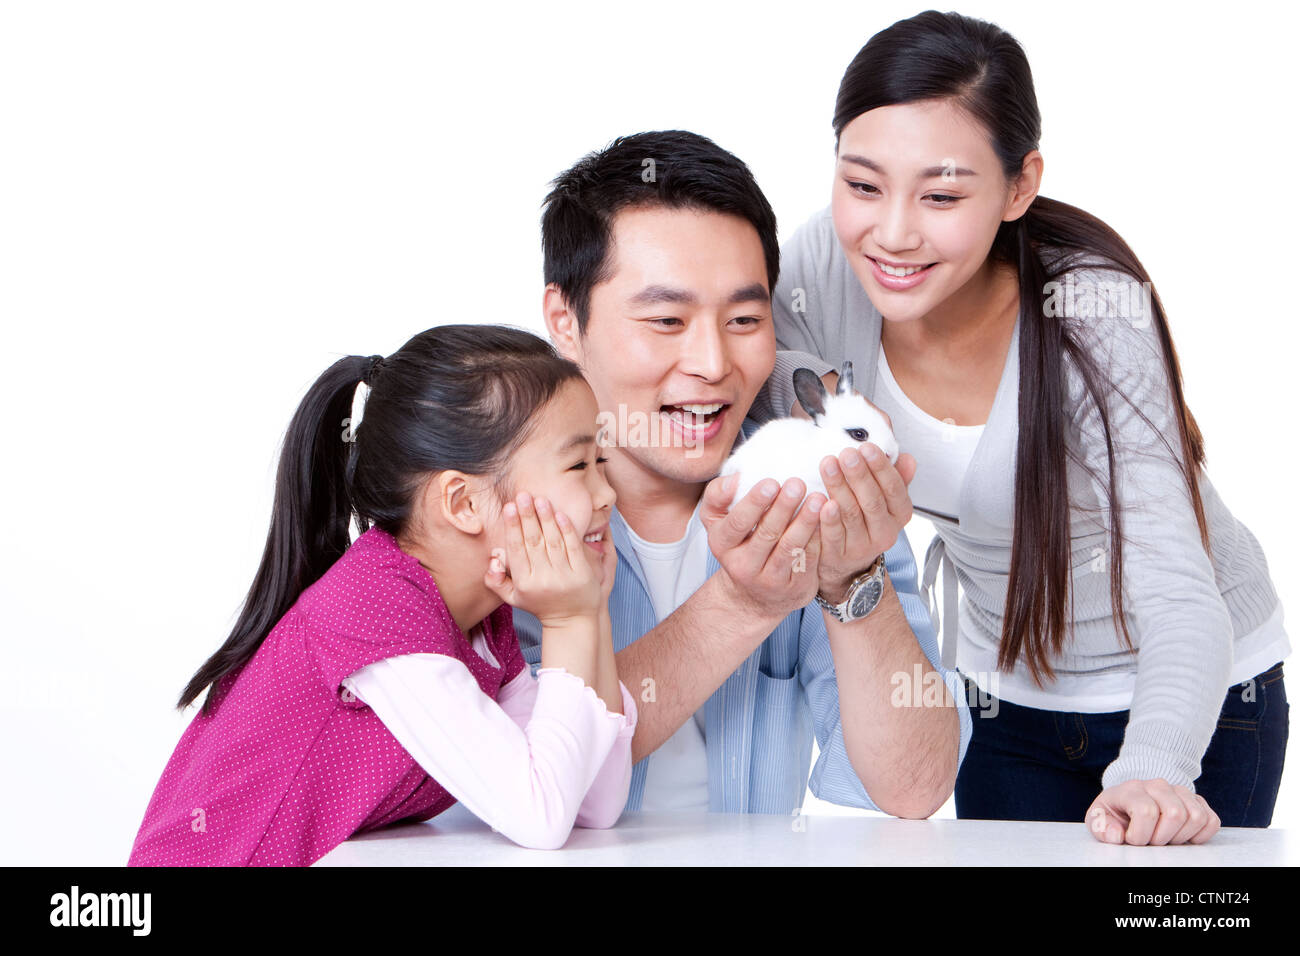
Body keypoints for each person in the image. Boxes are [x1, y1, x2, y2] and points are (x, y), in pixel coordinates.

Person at [762, 10, 1290, 843]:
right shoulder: (825, 269)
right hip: (1006, 696)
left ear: (1018, 185)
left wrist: (1154, 766)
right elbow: (729, 372)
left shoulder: (1091, 309)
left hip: (1201, 696)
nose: (891, 233)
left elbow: (1178, 589)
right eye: (862, 185)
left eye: (940, 195)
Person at [513, 129, 972, 816]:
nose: (712, 362)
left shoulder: (815, 484)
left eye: (745, 318)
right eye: (667, 319)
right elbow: (524, 772)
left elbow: (915, 788)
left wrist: (852, 582)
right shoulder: (493, 498)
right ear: (565, 320)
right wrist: (745, 604)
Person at [128, 325, 637, 865]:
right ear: (463, 503)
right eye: (580, 465)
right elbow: (542, 815)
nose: (607, 492)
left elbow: (594, 804)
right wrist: (568, 622)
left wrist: (591, 612)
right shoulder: (376, 610)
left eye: (602, 462)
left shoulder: (483, 620)